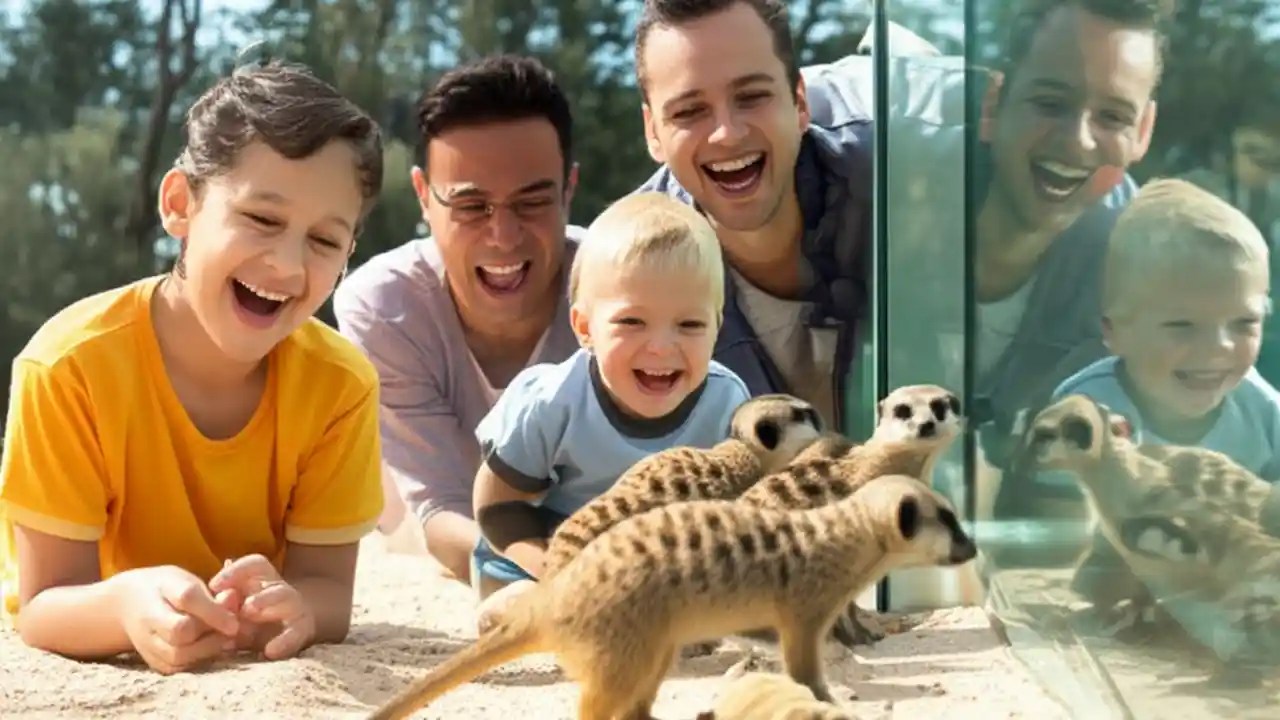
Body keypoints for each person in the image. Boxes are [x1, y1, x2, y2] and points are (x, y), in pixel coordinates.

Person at [0, 61, 386, 674]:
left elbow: (330, 591)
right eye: (262, 218)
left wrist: (296, 607)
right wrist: (126, 605)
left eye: (324, 240)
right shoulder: (68, 367)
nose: (287, 265)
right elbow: (43, 606)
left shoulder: (342, 386)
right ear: (180, 204)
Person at [332, 55, 582, 585]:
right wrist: (559, 574)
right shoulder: (382, 307)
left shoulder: (622, 288)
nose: (504, 237)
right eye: (472, 207)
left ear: (569, 190)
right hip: (425, 534)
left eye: (533, 202)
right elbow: (442, 513)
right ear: (425, 198)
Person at [469, 191, 750, 599]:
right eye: (632, 322)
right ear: (585, 328)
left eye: (689, 325)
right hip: (549, 546)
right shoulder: (551, 401)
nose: (661, 347)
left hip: (659, 560)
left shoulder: (727, 404)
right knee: (514, 591)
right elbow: (497, 507)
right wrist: (552, 567)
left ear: (717, 327)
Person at [1047, 177, 1280, 627]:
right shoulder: (1089, 407)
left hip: (1231, 592)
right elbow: (1054, 533)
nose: (1218, 347)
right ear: (1114, 331)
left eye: (1243, 323)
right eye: (1181, 326)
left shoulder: (1260, 406)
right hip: (1116, 595)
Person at [631, 0, 873, 433]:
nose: (727, 133)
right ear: (653, 133)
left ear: (800, 102)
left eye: (752, 97)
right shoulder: (628, 275)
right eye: (689, 111)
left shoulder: (895, 184)